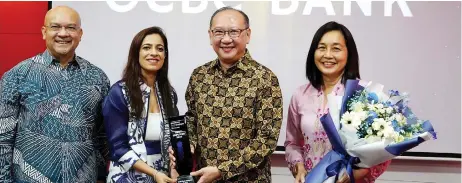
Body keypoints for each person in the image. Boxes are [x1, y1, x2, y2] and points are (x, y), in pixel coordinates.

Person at [170, 6, 283, 183]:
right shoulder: (199, 76)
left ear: (248, 35)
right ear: (210, 35)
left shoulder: (265, 79)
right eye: (219, 32)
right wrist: (186, 146)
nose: (226, 39)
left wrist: (222, 170)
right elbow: (192, 119)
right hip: (203, 178)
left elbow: (266, 139)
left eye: (234, 32)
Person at [0, 6, 109, 183]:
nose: (63, 33)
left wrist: (101, 177)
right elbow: (3, 137)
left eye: (71, 28)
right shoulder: (18, 75)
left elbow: (102, 137)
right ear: (44, 32)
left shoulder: (98, 78)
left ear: (80, 34)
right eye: (55, 27)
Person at [284, 21, 391, 183]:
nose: (327, 55)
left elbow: (384, 151)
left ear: (349, 53)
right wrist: (298, 166)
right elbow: (292, 143)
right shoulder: (300, 95)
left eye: (336, 48)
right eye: (321, 48)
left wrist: (356, 174)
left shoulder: (365, 94)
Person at [102, 26, 178, 183]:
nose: (154, 53)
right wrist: (154, 174)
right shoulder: (119, 93)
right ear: (136, 53)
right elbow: (118, 148)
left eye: (160, 49)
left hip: (164, 177)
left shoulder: (169, 94)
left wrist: (175, 169)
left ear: (165, 56)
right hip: (127, 177)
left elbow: (174, 139)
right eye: (147, 47)